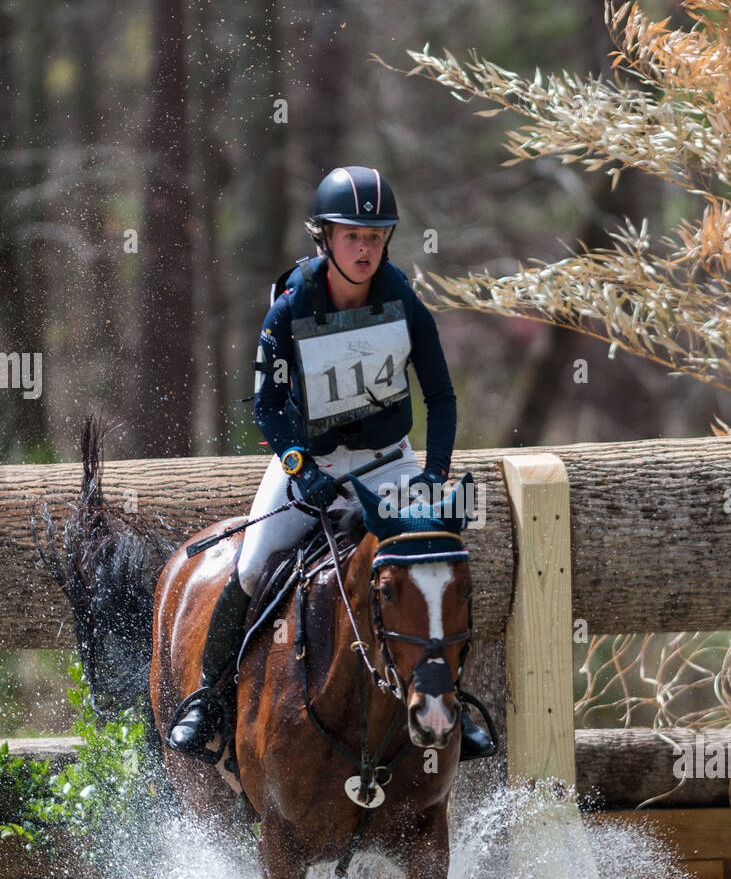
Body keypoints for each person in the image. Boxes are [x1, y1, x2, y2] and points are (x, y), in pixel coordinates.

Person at [168, 164, 495, 759]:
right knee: (250, 567)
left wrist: (434, 475)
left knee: (430, 564)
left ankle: (452, 704)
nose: (365, 248)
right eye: (352, 235)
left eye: (375, 237)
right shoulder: (290, 309)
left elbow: (442, 398)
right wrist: (301, 468)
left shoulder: (405, 303)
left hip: (388, 463)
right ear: (325, 237)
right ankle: (208, 701)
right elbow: (267, 407)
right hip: (310, 465)